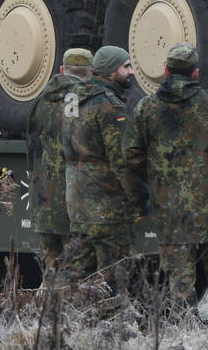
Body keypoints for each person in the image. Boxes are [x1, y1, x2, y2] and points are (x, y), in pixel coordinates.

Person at [124, 42, 208, 329]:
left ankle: (187, 331)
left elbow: (131, 157)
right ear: (196, 73)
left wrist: (143, 198)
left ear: (166, 71)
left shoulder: (146, 108)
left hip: (171, 213)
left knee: (179, 274)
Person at [62, 45, 147, 298]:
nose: (131, 72)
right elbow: (122, 161)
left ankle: (68, 319)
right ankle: (112, 324)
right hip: (107, 207)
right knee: (114, 274)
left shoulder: (73, 97)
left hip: (77, 202)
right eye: (126, 66)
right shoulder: (111, 105)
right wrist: (140, 199)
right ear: (111, 72)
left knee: (76, 272)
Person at [26, 47, 91, 284]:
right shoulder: (87, 99)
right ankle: (69, 317)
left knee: (52, 267)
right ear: (90, 72)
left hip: (43, 199)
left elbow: (30, 146)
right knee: (76, 270)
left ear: (62, 70)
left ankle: (49, 313)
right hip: (73, 201)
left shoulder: (39, 101)